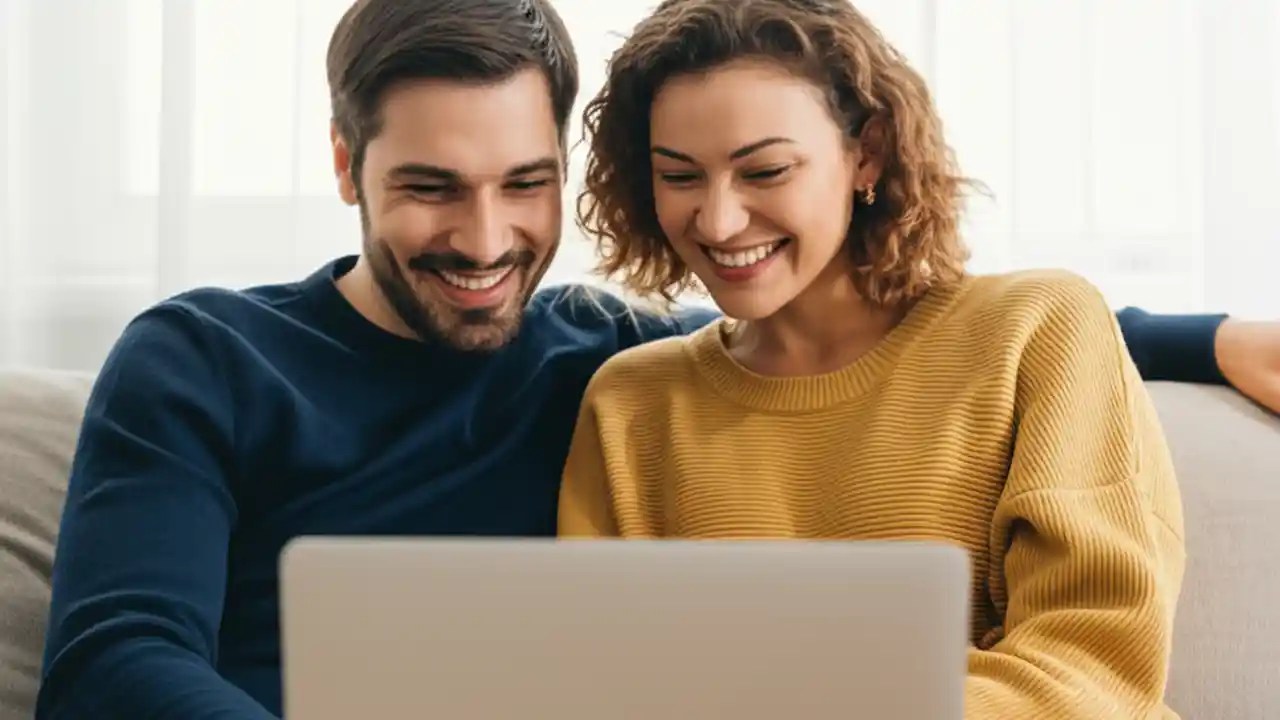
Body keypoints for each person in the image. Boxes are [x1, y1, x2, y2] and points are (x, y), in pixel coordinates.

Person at [34, 0, 1272, 718]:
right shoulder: (207, 357)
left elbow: (881, 347)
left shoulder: (595, 352)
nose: (482, 239)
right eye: (426, 188)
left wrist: (1189, 335)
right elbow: (114, 660)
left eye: (524, 186)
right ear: (346, 165)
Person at [556, 0, 1219, 717]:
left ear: (866, 152)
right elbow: (606, 682)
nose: (717, 220)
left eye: (766, 171)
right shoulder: (631, 404)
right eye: (680, 177)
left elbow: (1093, 663)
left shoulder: (1039, 329)